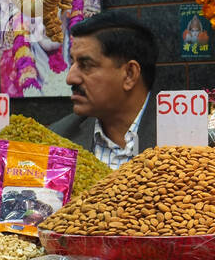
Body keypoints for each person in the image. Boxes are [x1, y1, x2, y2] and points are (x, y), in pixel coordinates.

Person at [50, 12, 157, 168]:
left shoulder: (186, 139)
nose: (70, 78)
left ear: (129, 74)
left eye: (85, 65)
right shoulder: (58, 140)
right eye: (72, 63)